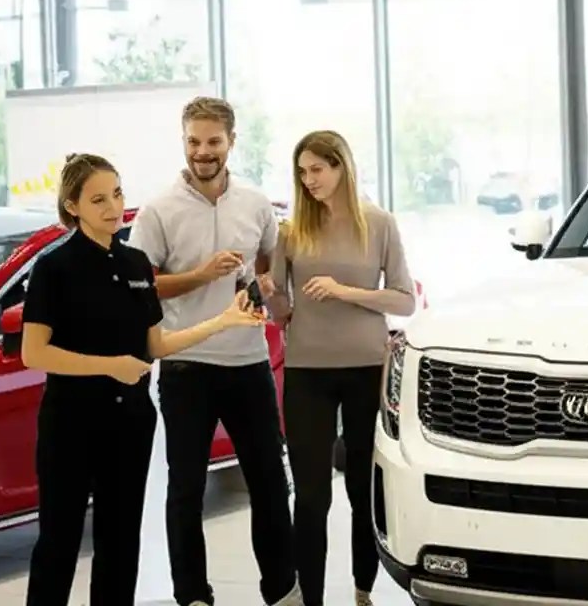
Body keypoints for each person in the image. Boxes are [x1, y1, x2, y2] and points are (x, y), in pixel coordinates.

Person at [22, 153, 265, 606]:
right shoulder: (53, 267)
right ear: (73, 206)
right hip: (71, 424)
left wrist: (224, 321)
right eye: (98, 200)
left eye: (117, 194)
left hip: (130, 423)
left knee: (120, 542)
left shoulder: (136, 263)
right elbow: (33, 352)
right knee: (59, 540)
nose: (113, 207)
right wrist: (109, 365)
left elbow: (156, 345)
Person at [126, 97, 301, 606]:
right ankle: (193, 596)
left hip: (248, 363)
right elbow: (141, 286)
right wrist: (202, 275)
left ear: (231, 142)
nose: (202, 151)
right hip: (186, 366)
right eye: (193, 141)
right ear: (183, 141)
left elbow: (266, 265)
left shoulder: (255, 204)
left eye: (213, 142)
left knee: (270, 483)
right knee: (185, 490)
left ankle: (282, 591)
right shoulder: (159, 211)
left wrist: (260, 287)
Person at [260, 130, 415, 606]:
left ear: (341, 167)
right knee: (311, 497)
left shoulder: (380, 224)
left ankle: (363, 591)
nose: (309, 180)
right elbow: (282, 311)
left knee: (361, 490)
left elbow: (405, 301)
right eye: (302, 172)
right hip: (308, 372)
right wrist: (269, 294)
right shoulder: (291, 231)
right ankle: (311, 598)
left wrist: (345, 291)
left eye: (317, 169)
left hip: (367, 369)